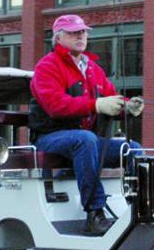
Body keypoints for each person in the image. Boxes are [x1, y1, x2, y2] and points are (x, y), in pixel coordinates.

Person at [29, 14, 144, 235]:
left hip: (85, 141)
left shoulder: (92, 68)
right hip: (50, 137)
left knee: (133, 149)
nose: (81, 35)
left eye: (83, 32)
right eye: (74, 32)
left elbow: (110, 97)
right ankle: (95, 213)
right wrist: (96, 105)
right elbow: (56, 105)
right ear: (59, 37)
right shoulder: (47, 66)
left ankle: (140, 208)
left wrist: (127, 106)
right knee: (86, 140)